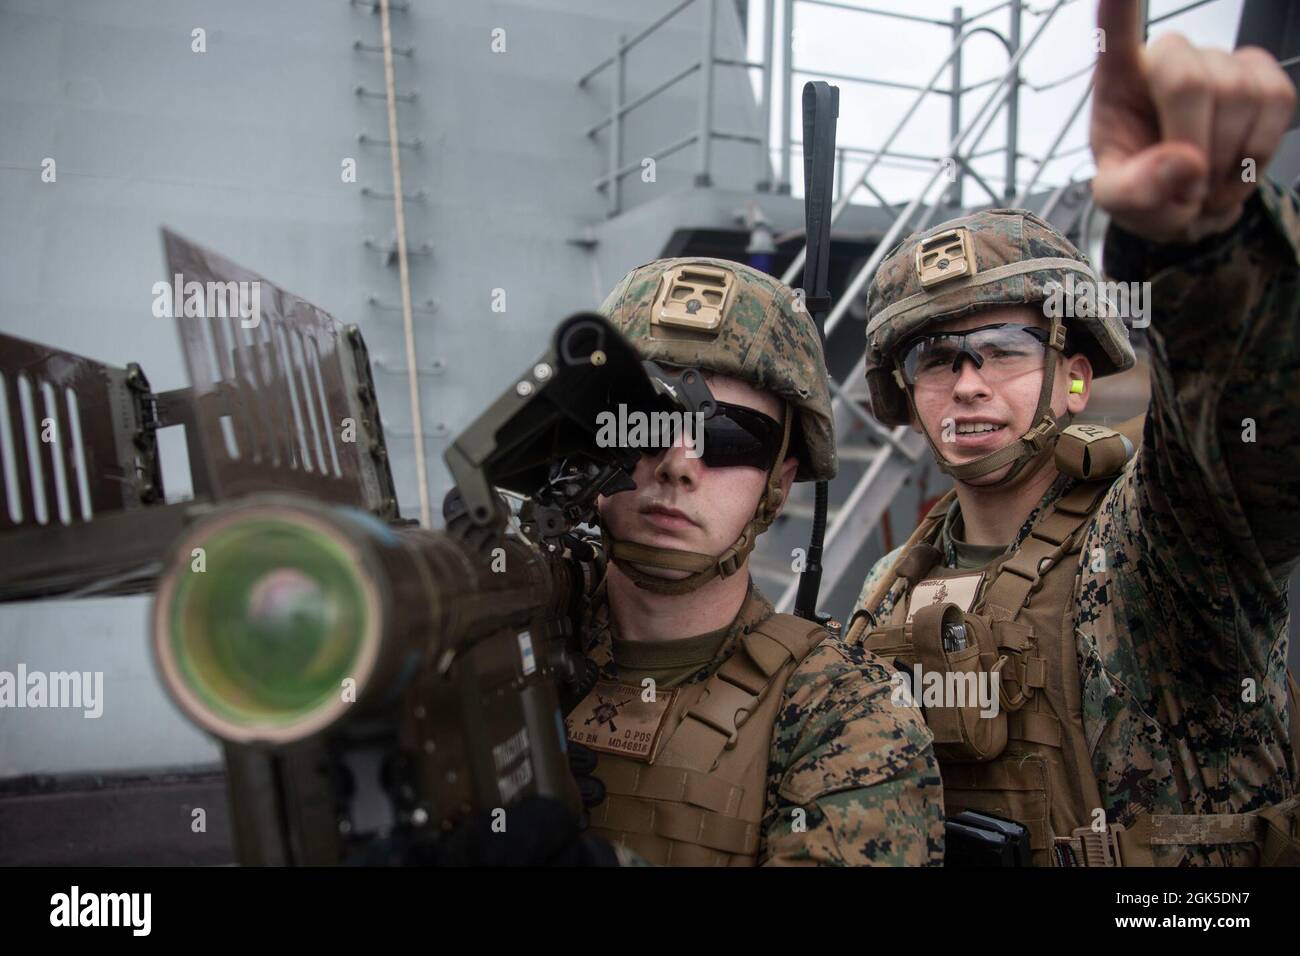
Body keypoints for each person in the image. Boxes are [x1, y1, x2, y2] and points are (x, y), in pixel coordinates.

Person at [849, 0, 1300, 866]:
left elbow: (1256, 450)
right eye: (936, 360)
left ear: (1077, 374)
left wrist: (1208, 255)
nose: (969, 382)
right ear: (907, 395)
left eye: (1006, 350)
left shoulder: (1155, 542)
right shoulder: (887, 586)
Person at [557, 255, 944, 866]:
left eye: (729, 436)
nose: (678, 463)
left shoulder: (845, 711)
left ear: (779, 484)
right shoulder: (516, 630)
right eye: (644, 423)